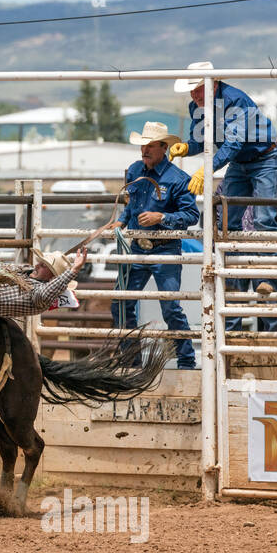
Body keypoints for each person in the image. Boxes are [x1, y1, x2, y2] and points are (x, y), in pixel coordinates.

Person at [110, 122, 201, 369]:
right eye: (143, 145)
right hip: (138, 248)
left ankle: (186, 361)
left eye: (150, 145)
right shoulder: (135, 171)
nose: (145, 150)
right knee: (120, 302)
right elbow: (132, 204)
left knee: (170, 307)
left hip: (165, 249)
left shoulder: (179, 179)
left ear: (164, 147)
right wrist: (122, 220)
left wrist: (162, 217)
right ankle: (131, 360)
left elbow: (192, 216)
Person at [168, 63, 277, 237]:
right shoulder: (196, 107)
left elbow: (233, 144)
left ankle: (271, 263)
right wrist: (186, 147)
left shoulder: (234, 101)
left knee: (264, 219)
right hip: (240, 160)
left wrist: (207, 170)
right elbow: (201, 140)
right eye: (192, 91)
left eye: (198, 89)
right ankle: (229, 261)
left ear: (212, 84)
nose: (194, 95)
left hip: (264, 158)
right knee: (227, 219)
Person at [215, 172, 277, 334]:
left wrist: (275, 247)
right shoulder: (229, 181)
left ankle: (276, 348)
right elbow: (217, 214)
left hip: (261, 248)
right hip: (237, 248)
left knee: (267, 305)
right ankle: (229, 351)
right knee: (232, 307)